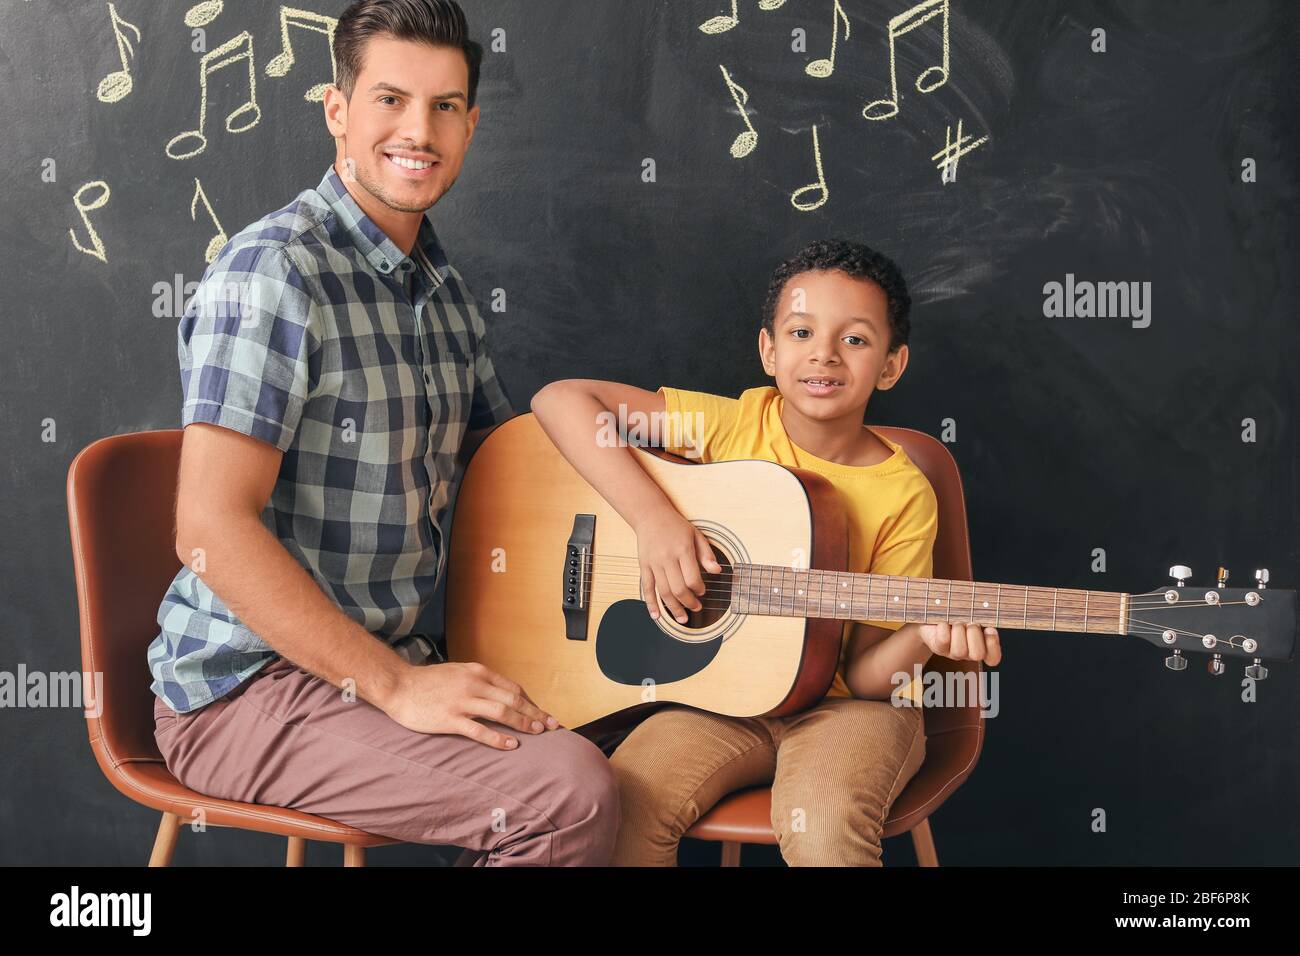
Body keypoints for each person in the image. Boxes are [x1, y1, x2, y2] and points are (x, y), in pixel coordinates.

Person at [148, 0, 618, 866]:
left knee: (628, 732)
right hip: (246, 689)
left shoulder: (438, 285)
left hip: (393, 657)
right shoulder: (272, 274)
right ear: (338, 110)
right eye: (390, 100)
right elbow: (209, 528)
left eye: (445, 107)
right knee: (568, 795)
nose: (419, 130)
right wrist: (395, 685)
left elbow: (509, 473)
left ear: (472, 125)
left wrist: (688, 500)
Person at [530, 239, 1003, 865]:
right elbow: (560, 400)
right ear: (768, 351)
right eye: (801, 331)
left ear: (891, 365)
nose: (824, 355)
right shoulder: (732, 426)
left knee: (823, 824)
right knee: (619, 800)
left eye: (856, 340)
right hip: (723, 703)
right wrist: (654, 521)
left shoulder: (903, 492)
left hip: (846, 712)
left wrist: (926, 636)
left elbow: (864, 679)